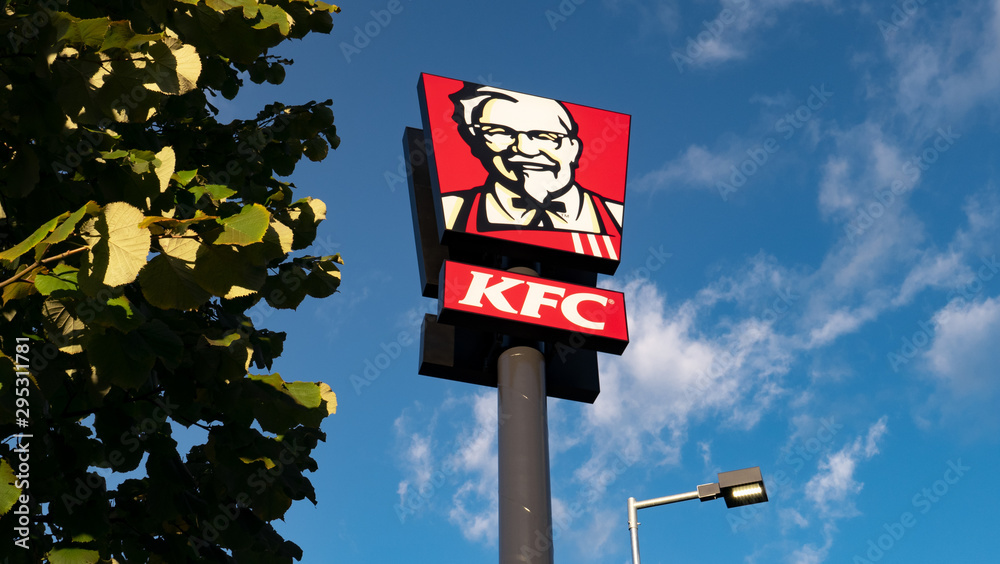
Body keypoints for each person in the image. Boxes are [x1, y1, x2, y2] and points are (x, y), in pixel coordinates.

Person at [443, 83, 623, 259]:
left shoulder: (613, 216)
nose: (524, 148)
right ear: (478, 144)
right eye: (500, 132)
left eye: (544, 136)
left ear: (574, 148)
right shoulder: (451, 210)